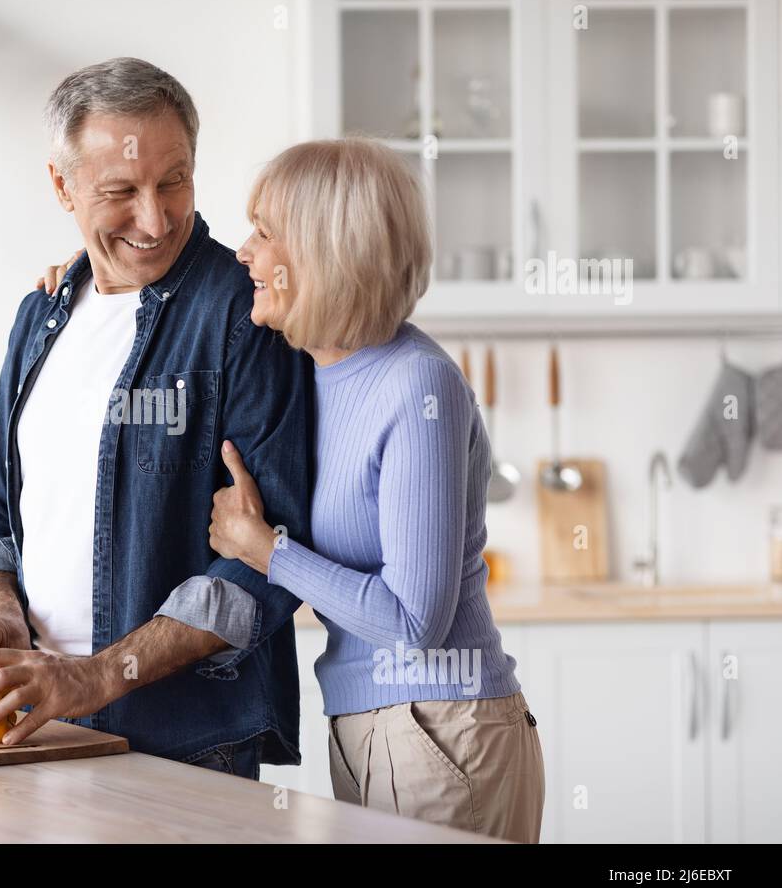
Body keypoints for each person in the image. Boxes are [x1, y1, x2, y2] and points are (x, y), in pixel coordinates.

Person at [0, 57, 313, 779]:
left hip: (187, 737)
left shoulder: (243, 315)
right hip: (37, 725)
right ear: (62, 186)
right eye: (121, 190)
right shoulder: (39, 318)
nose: (156, 219)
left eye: (173, 180)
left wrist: (93, 677)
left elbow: (271, 561)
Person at [207, 137, 545, 841]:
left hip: (441, 727)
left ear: (324, 252)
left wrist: (264, 550)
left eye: (265, 232)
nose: (245, 251)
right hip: (371, 728)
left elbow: (415, 623)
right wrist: (82, 275)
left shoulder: (417, 385)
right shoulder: (310, 371)